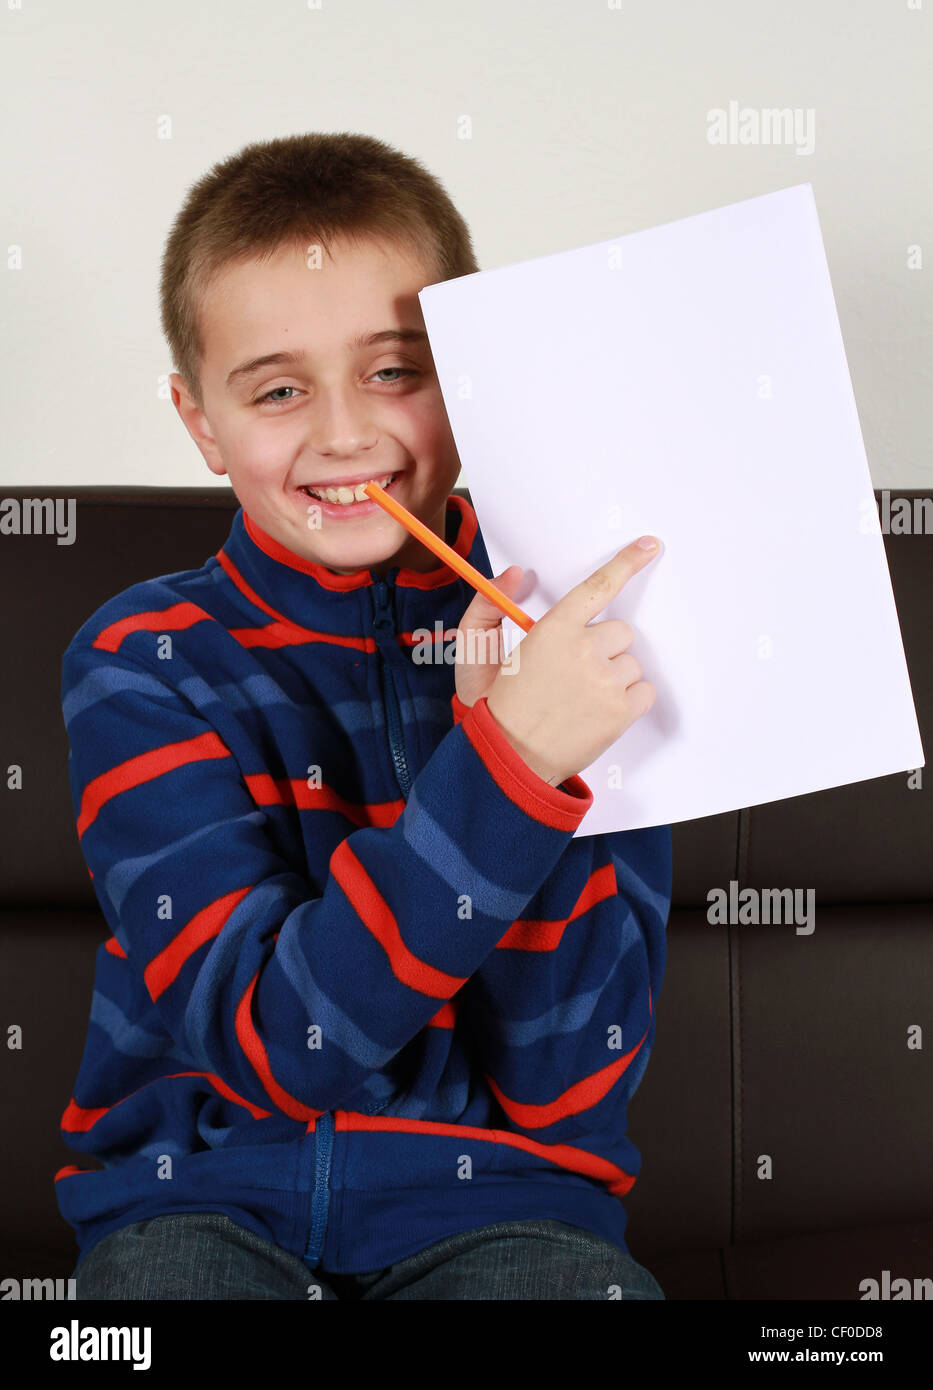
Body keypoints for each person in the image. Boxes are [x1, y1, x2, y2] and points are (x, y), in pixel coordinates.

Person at [57, 131, 671, 1301]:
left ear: (470, 373)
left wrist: (546, 752)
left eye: (395, 371)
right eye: (279, 389)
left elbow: (567, 1086)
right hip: (197, 1206)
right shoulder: (140, 661)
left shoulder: (588, 649)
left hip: (509, 1213)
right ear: (201, 422)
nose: (345, 435)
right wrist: (506, 768)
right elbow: (285, 1047)